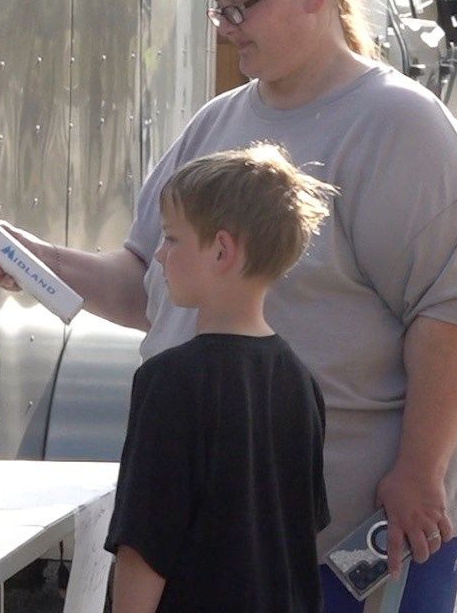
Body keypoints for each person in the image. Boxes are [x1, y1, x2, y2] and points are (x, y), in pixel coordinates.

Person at [0, 0, 457, 611]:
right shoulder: (220, 119)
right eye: (218, 9)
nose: (227, 28)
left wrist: (420, 469)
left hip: (366, 528)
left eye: (241, 7)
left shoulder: (401, 125)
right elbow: (152, 282)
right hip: (245, 536)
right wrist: (35, 260)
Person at [106, 144, 334, 613]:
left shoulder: (168, 382)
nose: (159, 256)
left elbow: (146, 542)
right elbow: (300, 532)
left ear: (222, 250)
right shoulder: (299, 380)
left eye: (171, 238)